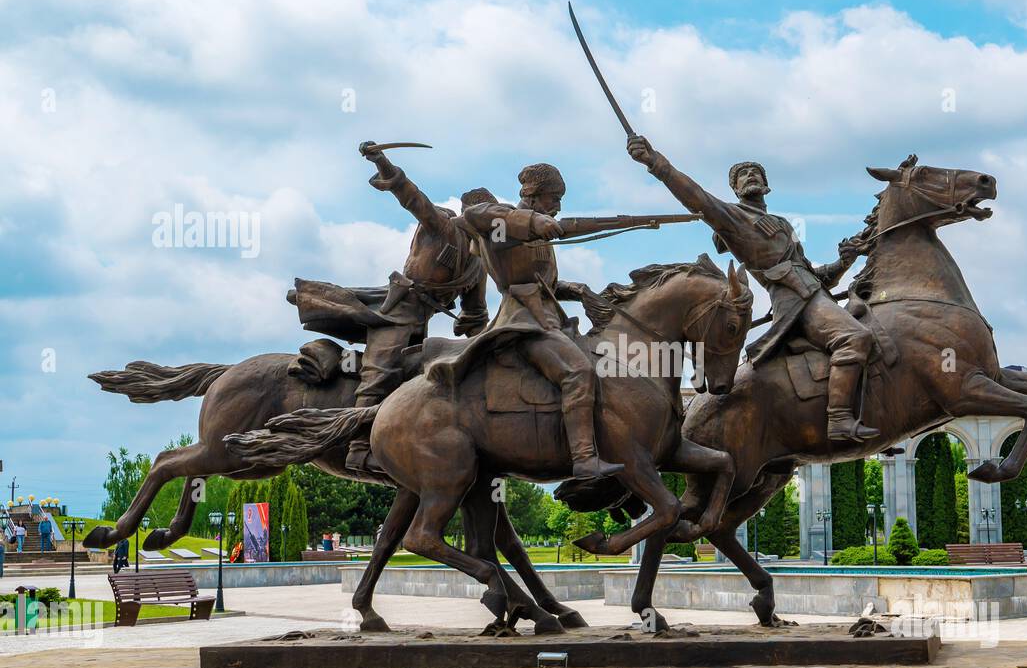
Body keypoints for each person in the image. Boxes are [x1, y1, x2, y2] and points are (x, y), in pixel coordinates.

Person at [626, 135, 879, 442]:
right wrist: (657, 163)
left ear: (766, 184)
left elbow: (810, 273)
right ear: (735, 190)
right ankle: (839, 418)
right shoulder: (734, 218)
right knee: (855, 338)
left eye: (755, 172)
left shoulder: (782, 224)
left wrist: (843, 263)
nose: (750, 176)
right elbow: (697, 197)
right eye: (741, 175)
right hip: (796, 305)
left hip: (813, 294)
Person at [287, 143, 492, 474]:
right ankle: (356, 447)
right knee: (381, 372)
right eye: (486, 217)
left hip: (420, 325)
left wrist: (484, 347)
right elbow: (413, 198)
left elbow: (475, 316)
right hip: (396, 312)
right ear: (471, 215)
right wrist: (384, 163)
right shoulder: (442, 227)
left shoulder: (479, 264)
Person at [431, 162, 625, 480]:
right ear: (532, 197)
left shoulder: (537, 233)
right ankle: (585, 460)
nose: (559, 206)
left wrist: (581, 290)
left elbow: (544, 285)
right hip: (523, 324)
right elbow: (473, 215)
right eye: (553, 198)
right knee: (578, 372)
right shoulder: (501, 223)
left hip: (550, 319)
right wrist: (533, 220)